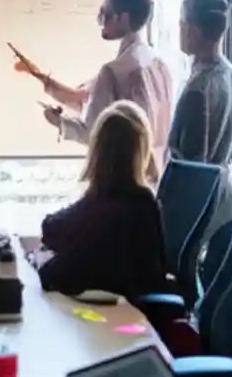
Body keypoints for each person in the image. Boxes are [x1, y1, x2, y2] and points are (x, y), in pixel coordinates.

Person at [12, 0, 173, 175]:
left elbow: (94, 132)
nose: (100, 21)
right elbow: (86, 97)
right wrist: (41, 77)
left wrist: (59, 122)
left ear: (123, 17)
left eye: (104, 14)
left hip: (126, 181)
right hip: (157, 179)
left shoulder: (114, 71)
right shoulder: (159, 65)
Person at [30, 101, 168, 298]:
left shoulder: (99, 205)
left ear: (97, 151)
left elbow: (51, 235)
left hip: (107, 316)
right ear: (141, 150)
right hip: (128, 314)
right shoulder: (143, 203)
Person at [169, 0, 232, 238]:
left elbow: (191, 167)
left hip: (199, 212)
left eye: (181, 23)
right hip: (224, 199)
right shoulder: (230, 75)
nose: (179, 29)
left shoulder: (198, 89)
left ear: (193, 31)